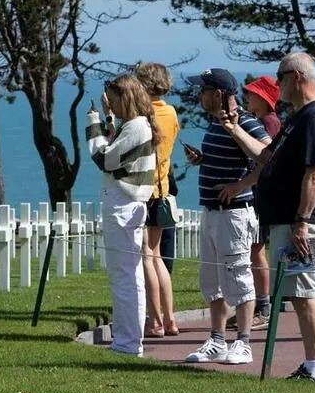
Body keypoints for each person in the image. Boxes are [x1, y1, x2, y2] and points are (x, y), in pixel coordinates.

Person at [227, 52, 315, 381]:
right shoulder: (297, 118)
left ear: (298, 77)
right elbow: (266, 155)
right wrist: (234, 128)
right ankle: (311, 365)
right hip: (288, 221)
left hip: (301, 222)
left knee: (306, 293)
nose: (277, 84)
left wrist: (302, 221)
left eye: (281, 76)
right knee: (299, 293)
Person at [181, 68, 270, 365]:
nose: (199, 96)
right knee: (212, 281)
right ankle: (217, 340)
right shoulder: (215, 123)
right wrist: (202, 160)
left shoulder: (245, 122)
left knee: (239, 279)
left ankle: (243, 343)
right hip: (211, 212)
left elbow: (268, 158)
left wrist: (242, 185)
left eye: (203, 90)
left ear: (218, 94)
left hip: (233, 216)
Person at [86, 74, 159, 356]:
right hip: (125, 203)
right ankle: (129, 341)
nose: (111, 105)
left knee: (124, 279)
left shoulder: (137, 127)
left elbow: (106, 159)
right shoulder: (135, 126)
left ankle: (128, 343)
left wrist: (93, 125)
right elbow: (118, 150)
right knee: (130, 277)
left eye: (114, 100)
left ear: (125, 98)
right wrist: (107, 120)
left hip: (122, 204)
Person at [134, 62, 181, 338]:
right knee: (158, 255)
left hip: (145, 190)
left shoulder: (143, 115)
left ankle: (155, 321)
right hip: (163, 189)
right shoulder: (171, 112)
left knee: (147, 257)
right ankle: (171, 318)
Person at [242, 75, 282, 328]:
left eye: (252, 94)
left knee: (256, 251)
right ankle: (258, 305)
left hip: (260, 195)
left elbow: (264, 158)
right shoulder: (265, 121)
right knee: (255, 251)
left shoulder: (267, 123)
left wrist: (242, 184)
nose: (247, 98)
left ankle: (263, 308)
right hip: (260, 193)